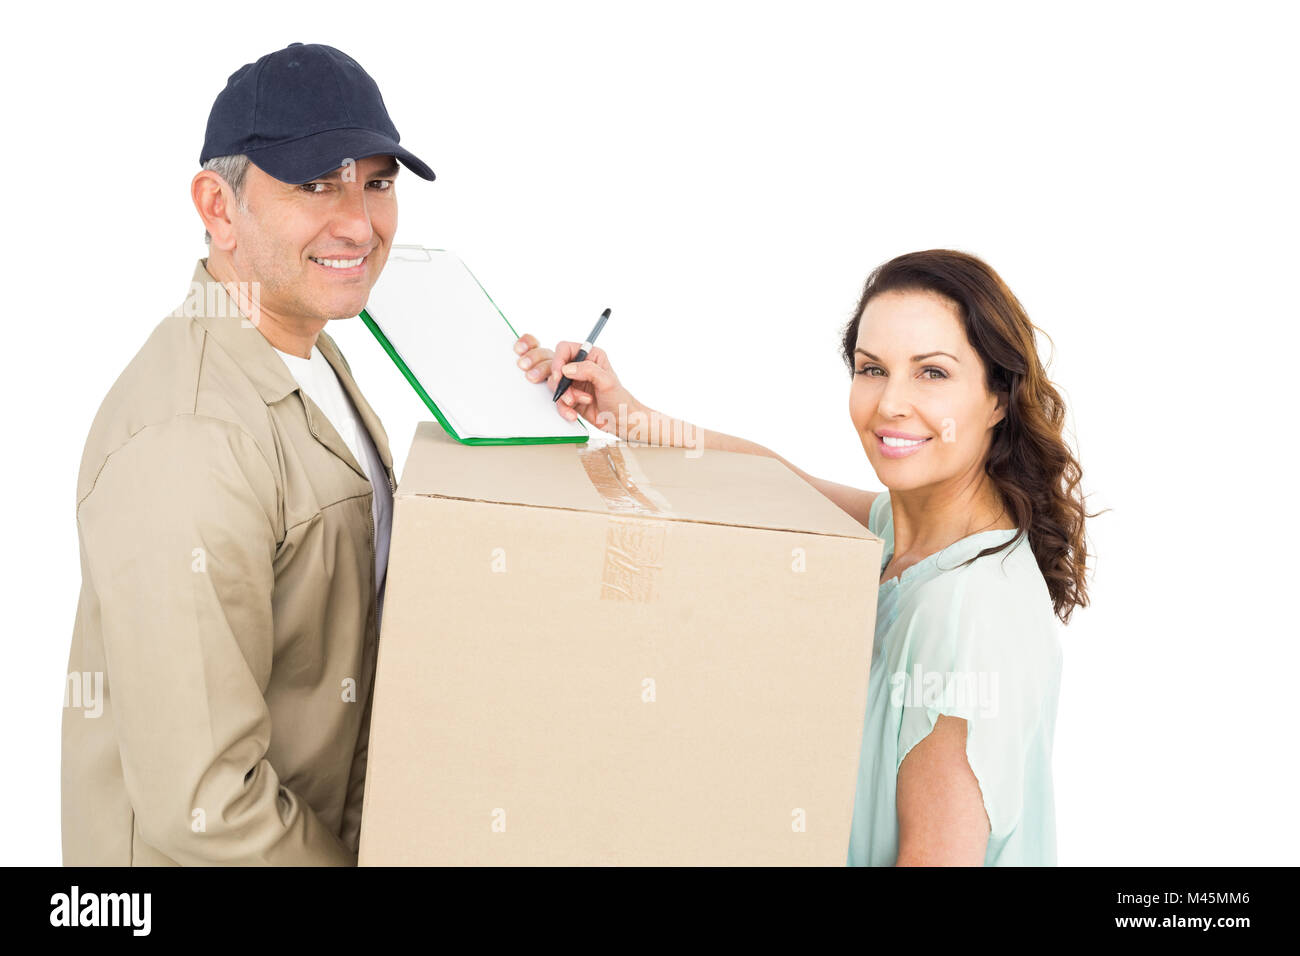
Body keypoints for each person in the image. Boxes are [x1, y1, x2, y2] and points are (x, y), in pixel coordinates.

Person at [517, 249, 1092, 865]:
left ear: (999, 397)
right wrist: (626, 415)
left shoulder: (963, 614)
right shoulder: (906, 534)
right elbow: (778, 482)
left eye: (932, 373)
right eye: (873, 369)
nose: (891, 402)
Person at [62, 43, 438, 865]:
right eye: (315, 184)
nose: (359, 222)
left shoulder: (305, 347)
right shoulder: (188, 440)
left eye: (377, 182)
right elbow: (206, 805)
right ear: (219, 207)